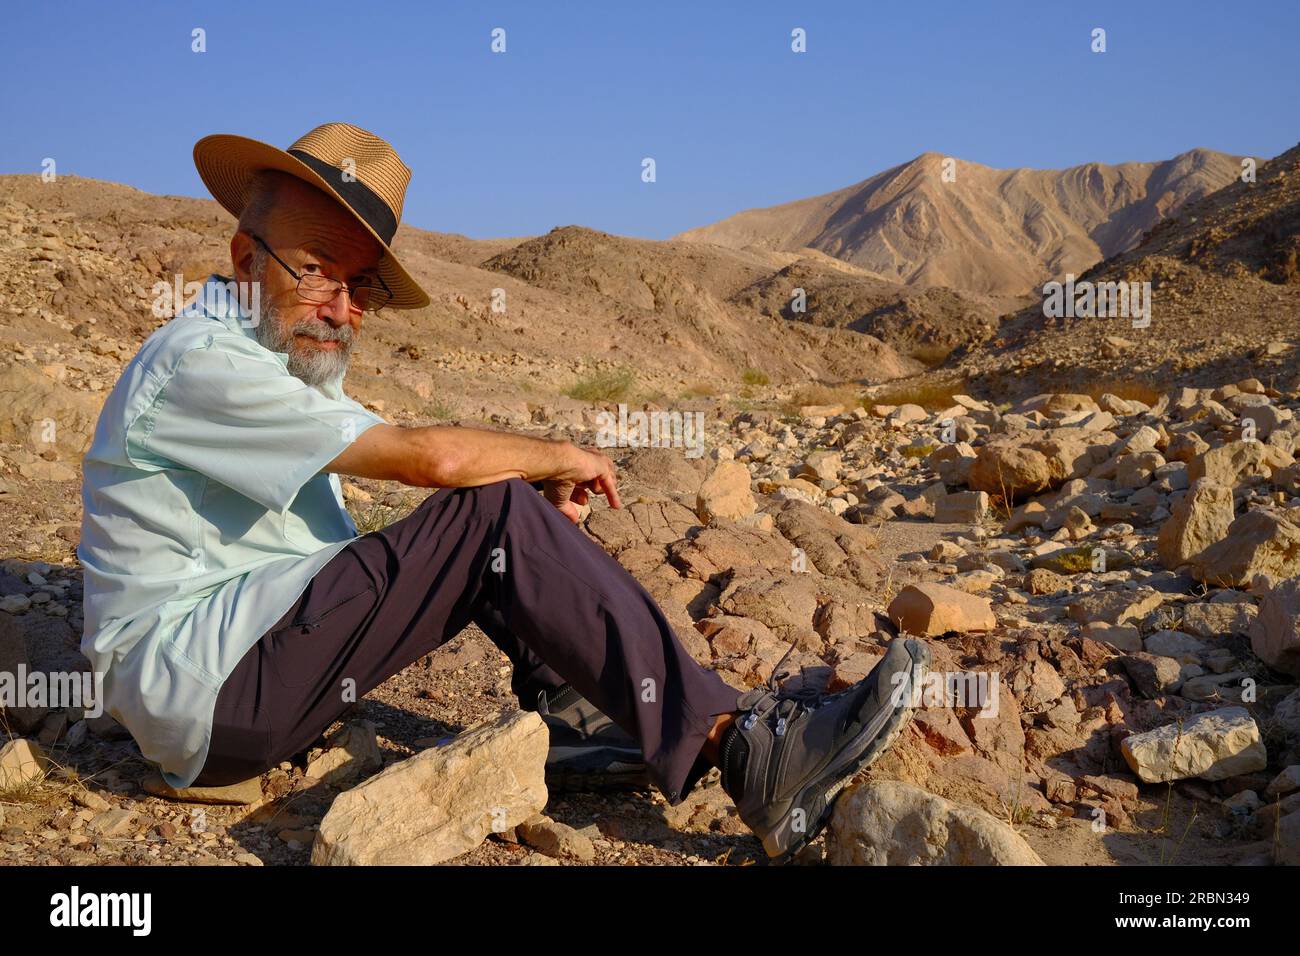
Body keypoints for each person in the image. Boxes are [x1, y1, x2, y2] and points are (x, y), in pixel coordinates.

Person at [77, 123, 930, 861]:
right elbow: (432, 461)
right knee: (482, 510)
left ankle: (579, 718)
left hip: (234, 673)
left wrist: (527, 536)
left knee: (489, 523)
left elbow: (415, 503)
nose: (340, 307)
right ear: (243, 258)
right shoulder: (201, 361)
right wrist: (549, 457)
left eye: (359, 285)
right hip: (209, 695)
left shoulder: (275, 364)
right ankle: (746, 754)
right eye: (317, 270)